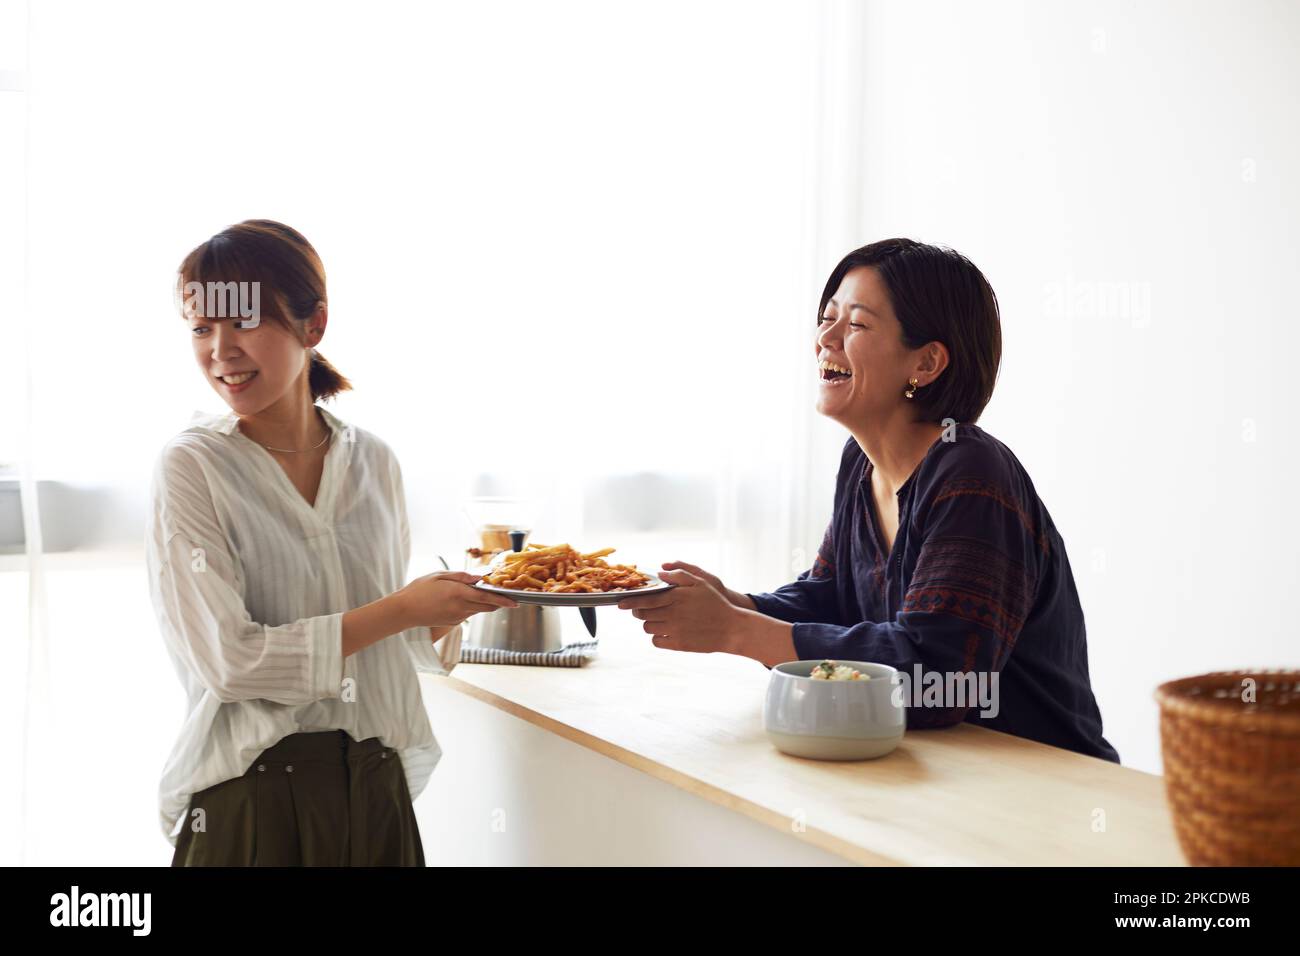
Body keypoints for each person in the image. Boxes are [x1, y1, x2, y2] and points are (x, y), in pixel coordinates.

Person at [617, 238, 1119, 763]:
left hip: (1045, 781)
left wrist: (738, 632)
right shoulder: (860, 464)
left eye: (855, 324)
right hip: (945, 771)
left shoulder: (971, 472)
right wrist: (733, 604)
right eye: (827, 317)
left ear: (925, 363)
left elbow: (940, 681)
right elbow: (828, 598)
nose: (825, 338)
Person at [148, 219, 518, 865]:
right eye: (201, 328)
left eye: (244, 322)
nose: (221, 350)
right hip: (253, 803)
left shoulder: (374, 462)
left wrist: (453, 604)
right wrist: (405, 608)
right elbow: (231, 663)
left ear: (313, 324)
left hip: (378, 796)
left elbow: (388, 641)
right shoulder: (194, 467)